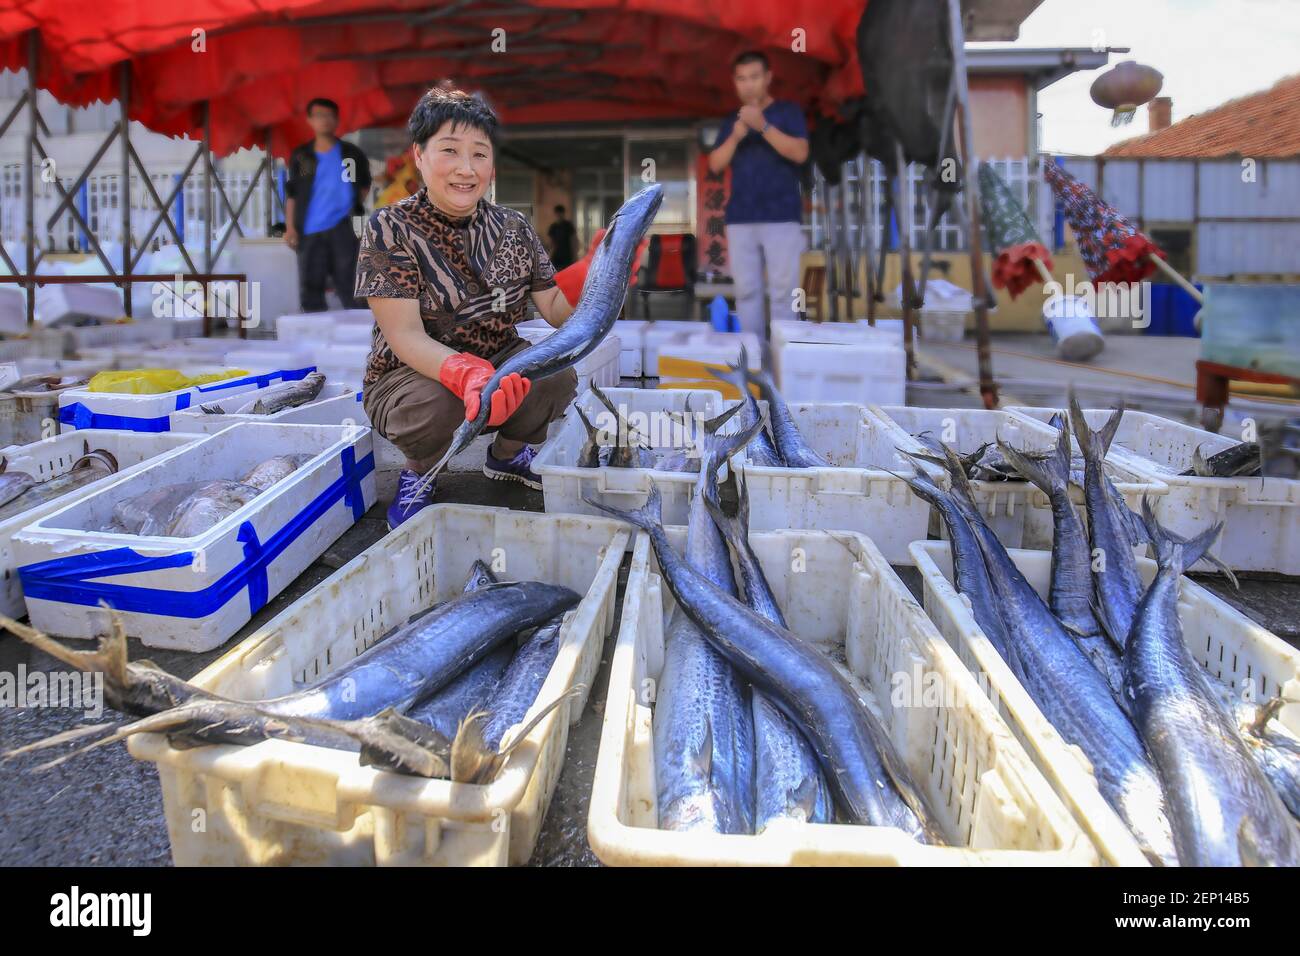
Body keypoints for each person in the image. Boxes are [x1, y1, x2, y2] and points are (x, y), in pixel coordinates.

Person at [355, 87, 577, 529]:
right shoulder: (389, 226)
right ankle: (420, 472)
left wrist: (596, 273)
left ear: (492, 164)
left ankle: (507, 456)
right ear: (419, 155)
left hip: (500, 358)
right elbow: (404, 336)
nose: (466, 168)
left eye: (479, 154)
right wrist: (464, 374)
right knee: (439, 401)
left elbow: (554, 307)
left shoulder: (514, 226)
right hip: (410, 374)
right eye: (450, 150)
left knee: (556, 375)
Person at [708, 51, 810, 346]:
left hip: (782, 217)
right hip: (740, 218)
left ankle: (783, 360)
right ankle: (753, 360)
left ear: (768, 78)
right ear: (735, 82)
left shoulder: (788, 112)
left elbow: (800, 153)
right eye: (741, 79)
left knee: (783, 292)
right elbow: (715, 164)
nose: (748, 85)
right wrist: (736, 135)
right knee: (746, 292)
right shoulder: (732, 121)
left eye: (754, 77)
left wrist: (763, 125)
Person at [284, 98, 373, 312]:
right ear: (310, 120)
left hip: (342, 228)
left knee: (351, 284)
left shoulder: (351, 154)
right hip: (309, 231)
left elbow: (364, 185)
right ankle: (314, 329)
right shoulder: (302, 156)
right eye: (319, 116)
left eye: (329, 116)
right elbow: (293, 193)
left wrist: (351, 207)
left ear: (337, 120)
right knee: (311, 287)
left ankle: (358, 329)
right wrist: (290, 227)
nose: (324, 120)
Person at [547, 205, 578, 270]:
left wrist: (574, 255)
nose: (559, 216)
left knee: (567, 272)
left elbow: (573, 240)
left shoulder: (568, 226)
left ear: (563, 214)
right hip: (556, 256)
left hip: (567, 255)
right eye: (557, 214)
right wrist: (549, 255)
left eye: (560, 214)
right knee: (556, 272)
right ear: (555, 214)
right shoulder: (553, 227)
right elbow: (551, 243)